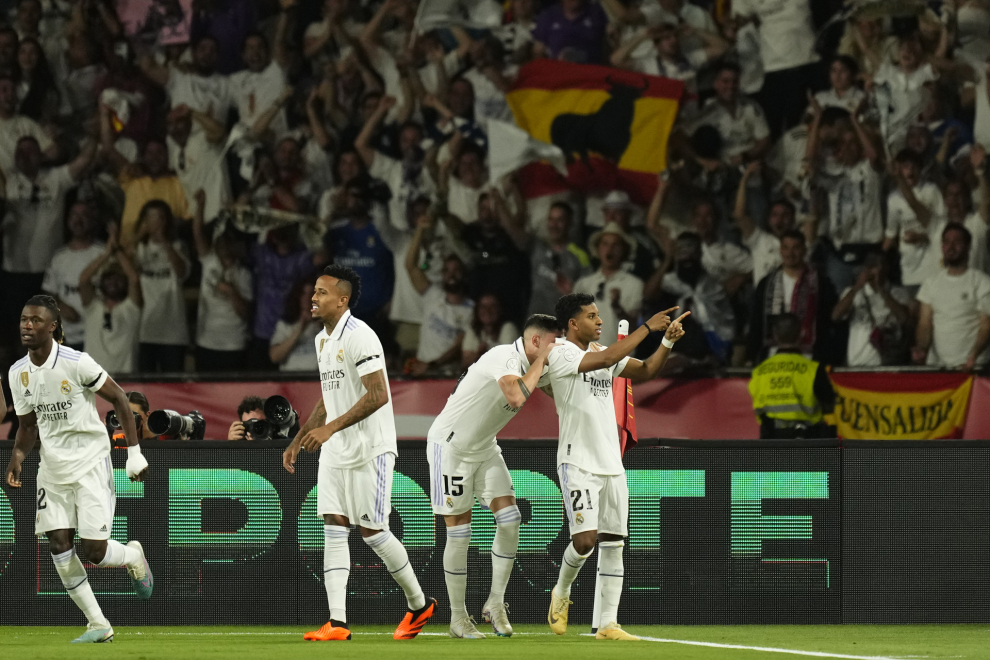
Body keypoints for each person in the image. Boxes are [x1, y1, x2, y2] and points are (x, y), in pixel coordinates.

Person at [282, 264, 436, 641]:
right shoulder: (323, 340)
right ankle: (337, 622)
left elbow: (378, 394)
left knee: (372, 532)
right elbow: (329, 397)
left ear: (342, 300)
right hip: (336, 449)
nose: (313, 298)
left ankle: (419, 605)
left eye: (321, 292)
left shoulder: (360, 336)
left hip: (370, 448)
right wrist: (299, 437)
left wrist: (329, 428)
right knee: (333, 526)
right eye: (314, 291)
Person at [4, 295, 153, 643]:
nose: (27, 325)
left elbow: (119, 398)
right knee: (58, 545)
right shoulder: (17, 372)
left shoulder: (76, 362)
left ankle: (133, 555)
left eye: (36, 320)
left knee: (95, 552)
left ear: (53, 326)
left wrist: (134, 453)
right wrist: (18, 456)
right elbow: (27, 426)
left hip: (90, 463)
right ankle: (98, 624)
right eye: (24, 319)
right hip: (52, 469)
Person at [546, 294, 687, 640]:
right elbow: (609, 358)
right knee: (584, 541)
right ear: (573, 324)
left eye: (599, 315)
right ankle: (561, 590)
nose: (600, 321)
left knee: (613, 542)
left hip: (611, 461)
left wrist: (666, 342)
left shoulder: (602, 352)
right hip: (577, 461)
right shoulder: (561, 352)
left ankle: (608, 624)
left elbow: (648, 370)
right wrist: (647, 327)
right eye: (592, 316)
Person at [428, 314, 559, 638]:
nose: (554, 349)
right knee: (460, 534)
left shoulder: (534, 364)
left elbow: (557, 391)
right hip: (451, 448)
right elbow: (516, 396)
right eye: (552, 343)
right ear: (535, 341)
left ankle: (495, 603)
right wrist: (543, 362)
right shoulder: (504, 356)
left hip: (484, 447)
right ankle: (458, 618)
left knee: (511, 518)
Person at [748, 313, 837, 439]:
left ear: (775, 335)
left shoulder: (759, 372)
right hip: (806, 441)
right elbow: (829, 404)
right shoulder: (813, 369)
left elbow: (757, 404)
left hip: (771, 441)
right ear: (801, 334)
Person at [914, 224, 990, 369]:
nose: (951, 247)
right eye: (947, 242)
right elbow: (925, 323)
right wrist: (922, 349)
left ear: (968, 246)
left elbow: (986, 326)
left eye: (957, 242)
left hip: (972, 367)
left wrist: (973, 356)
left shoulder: (982, 282)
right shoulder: (930, 283)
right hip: (938, 367)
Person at [130, 201, 190, 373]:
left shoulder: (178, 246)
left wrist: (164, 241)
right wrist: (139, 235)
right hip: (144, 331)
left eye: (160, 217)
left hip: (173, 333)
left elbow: (182, 272)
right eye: (151, 217)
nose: (156, 222)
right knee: (144, 385)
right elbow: (123, 267)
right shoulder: (139, 248)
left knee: (172, 385)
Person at [78, 228, 142, 375]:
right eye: (109, 278)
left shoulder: (131, 308)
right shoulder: (92, 307)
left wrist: (117, 250)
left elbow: (134, 279)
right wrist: (106, 253)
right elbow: (83, 280)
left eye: (118, 278)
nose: (113, 282)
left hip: (125, 381)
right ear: (102, 282)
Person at [42, 201, 105, 351]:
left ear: (92, 221)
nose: (78, 219)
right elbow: (49, 292)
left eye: (84, 215)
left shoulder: (103, 254)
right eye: (74, 215)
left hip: (97, 336)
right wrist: (60, 306)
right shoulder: (59, 257)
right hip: (68, 337)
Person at [832, 251, 911, 367]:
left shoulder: (898, 293)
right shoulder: (852, 293)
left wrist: (882, 291)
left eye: (876, 265)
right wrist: (857, 287)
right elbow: (836, 315)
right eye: (869, 266)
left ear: (886, 268)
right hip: (857, 362)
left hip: (887, 364)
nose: (872, 270)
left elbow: (904, 318)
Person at [573, 223, 644, 346]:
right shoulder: (583, 284)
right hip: (587, 354)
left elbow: (635, 327)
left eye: (616, 245)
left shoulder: (634, 284)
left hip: (619, 355)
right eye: (605, 244)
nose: (610, 249)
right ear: (598, 248)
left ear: (624, 250)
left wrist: (617, 307)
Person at [270, 277, 323, 372]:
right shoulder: (285, 325)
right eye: (304, 294)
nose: (308, 298)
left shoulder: (326, 325)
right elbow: (274, 357)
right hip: (291, 377)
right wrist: (300, 329)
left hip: (316, 377)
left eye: (312, 294)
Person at [462, 294, 518, 367]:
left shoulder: (508, 328)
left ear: (500, 310)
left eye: (493, 306)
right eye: (483, 307)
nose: (487, 310)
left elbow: (508, 362)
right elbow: (466, 362)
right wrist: (478, 354)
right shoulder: (473, 329)